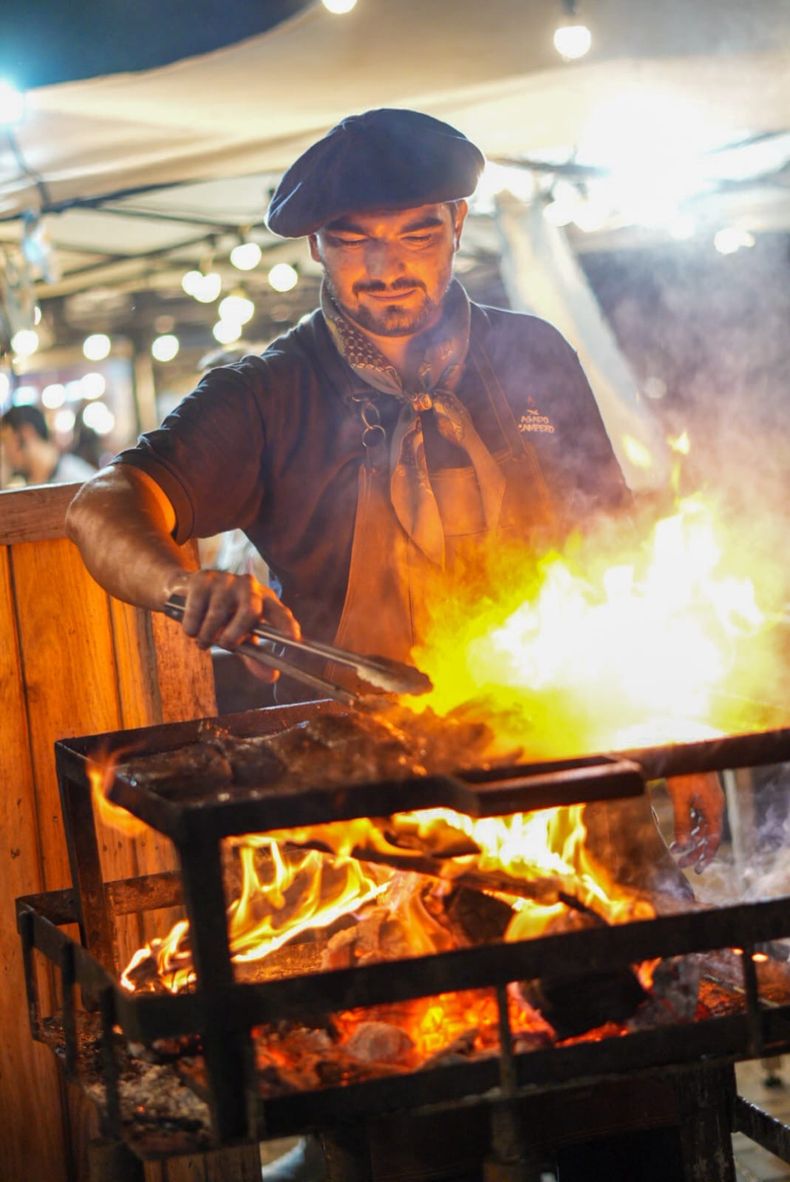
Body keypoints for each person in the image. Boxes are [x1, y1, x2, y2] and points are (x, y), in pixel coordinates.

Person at [65, 108, 722, 1181]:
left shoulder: (530, 354)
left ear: (455, 226)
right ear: (317, 247)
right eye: (354, 240)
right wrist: (183, 583)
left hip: (564, 777)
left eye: (413, 233)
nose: (385, 267)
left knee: (632, 1105)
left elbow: (614, 555)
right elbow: (105, 505)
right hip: (381, 817)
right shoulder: (267, 391)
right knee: (414, 1120)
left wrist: (673, 722)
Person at [1, 404, 96, 486]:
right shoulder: (27, 483)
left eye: (5, 441)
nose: (3, 450)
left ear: (26, 434)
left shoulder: (77, 479)